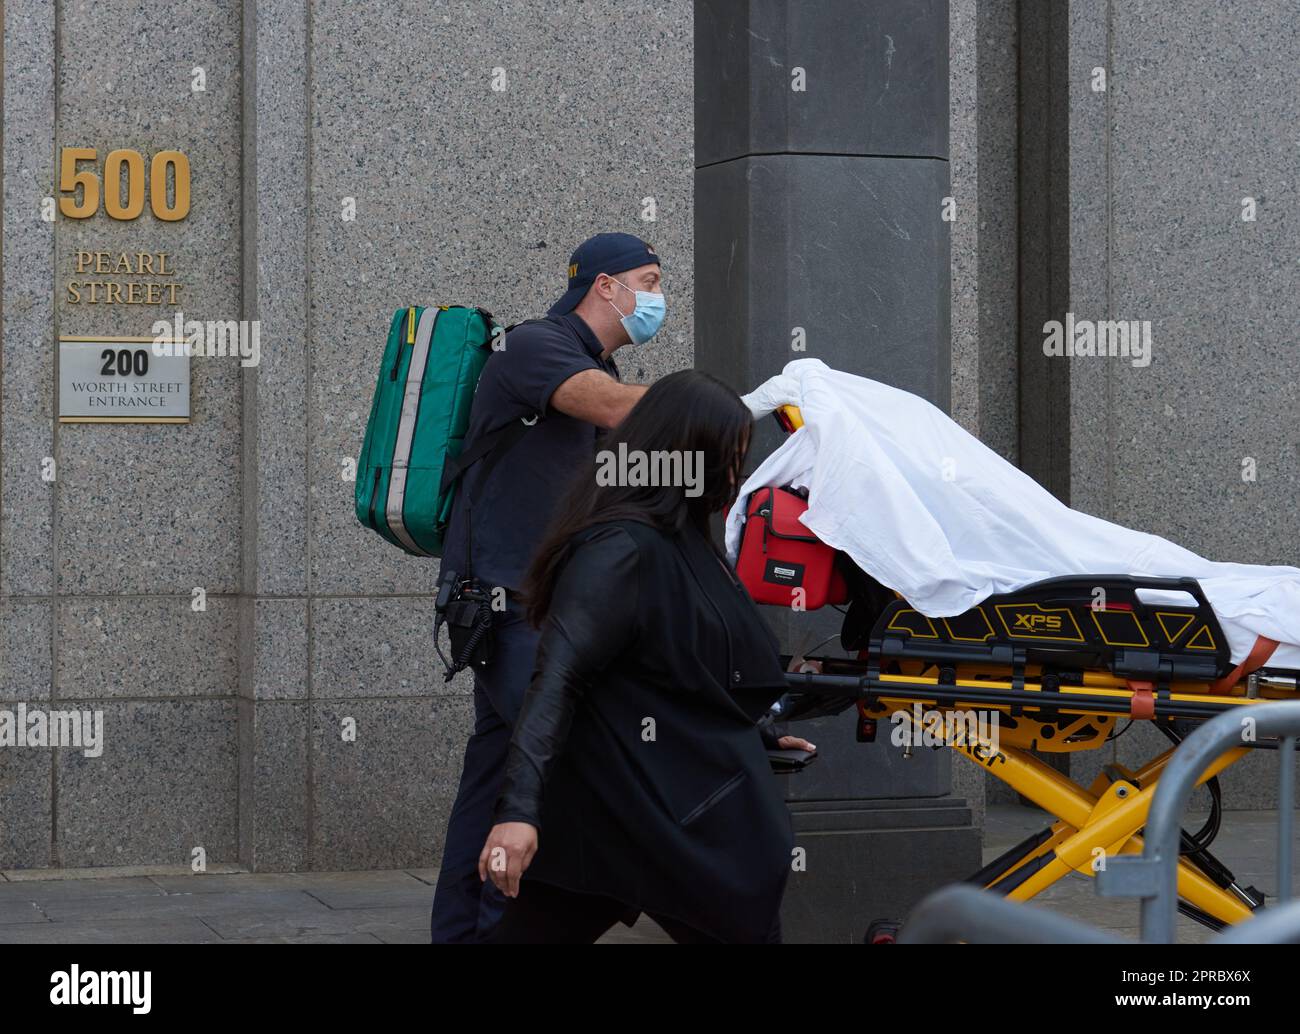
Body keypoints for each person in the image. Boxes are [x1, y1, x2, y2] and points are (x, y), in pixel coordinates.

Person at [477, 370, 813, 944]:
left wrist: (754, 728)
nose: (735, 478)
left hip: (650, 812)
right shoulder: (620, 550)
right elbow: (556, 681)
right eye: (725, 459)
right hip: (650, 816)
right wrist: (517, 814)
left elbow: (678, 667)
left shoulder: (681, 539)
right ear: (684, 455)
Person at [430, 233, 665, 943]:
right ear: (604, 285)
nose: (657, 297)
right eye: (648, 280)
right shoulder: (535, 347)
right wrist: (718, 402)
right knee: (561, 774)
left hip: (537, 610)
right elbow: (617, 408)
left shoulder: (598, 362)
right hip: (509, 613)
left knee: (496, 781)